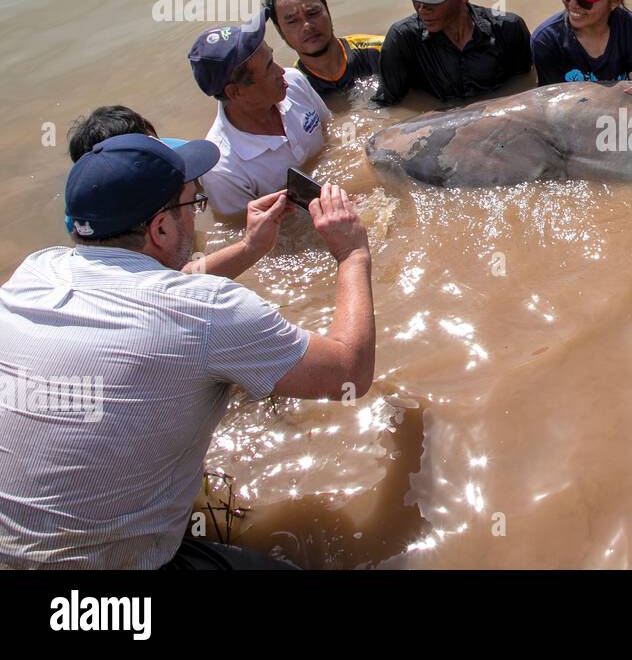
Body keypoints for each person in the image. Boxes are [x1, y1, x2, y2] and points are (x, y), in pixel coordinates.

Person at [0, 134, 374, 568]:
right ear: (159, 227)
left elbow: (151, 284)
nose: (197, 217)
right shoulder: (207, 310)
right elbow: (350, 373)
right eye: (192, 204)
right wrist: (352, 254)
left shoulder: (35, 272)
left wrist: (251, 247)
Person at [66, 104, 291, 279]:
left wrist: (249, 245)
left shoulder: (175, 155)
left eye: (155, 144)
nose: (161, 153)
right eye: (148, 150)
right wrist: (249, 247)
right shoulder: (98, 229)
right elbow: (175, 282)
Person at [189, 11, 333, 217]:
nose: (281, 71)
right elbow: (247, 232)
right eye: (268, 68)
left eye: (272, 58)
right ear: (235, 92)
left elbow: (333, 133)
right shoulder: (223, 169)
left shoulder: (295, 82)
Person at [372, 0, 532, 105]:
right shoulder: (402, 40)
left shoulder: (509, 30)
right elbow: (386, 106)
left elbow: (526, 88)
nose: (421, 8)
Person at [263, 0, 383, 96]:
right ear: (279, 30)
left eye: (313, 13)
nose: (307, 26)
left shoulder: (382, 51)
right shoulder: (293, 90)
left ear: (327, 10)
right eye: (292, 21)